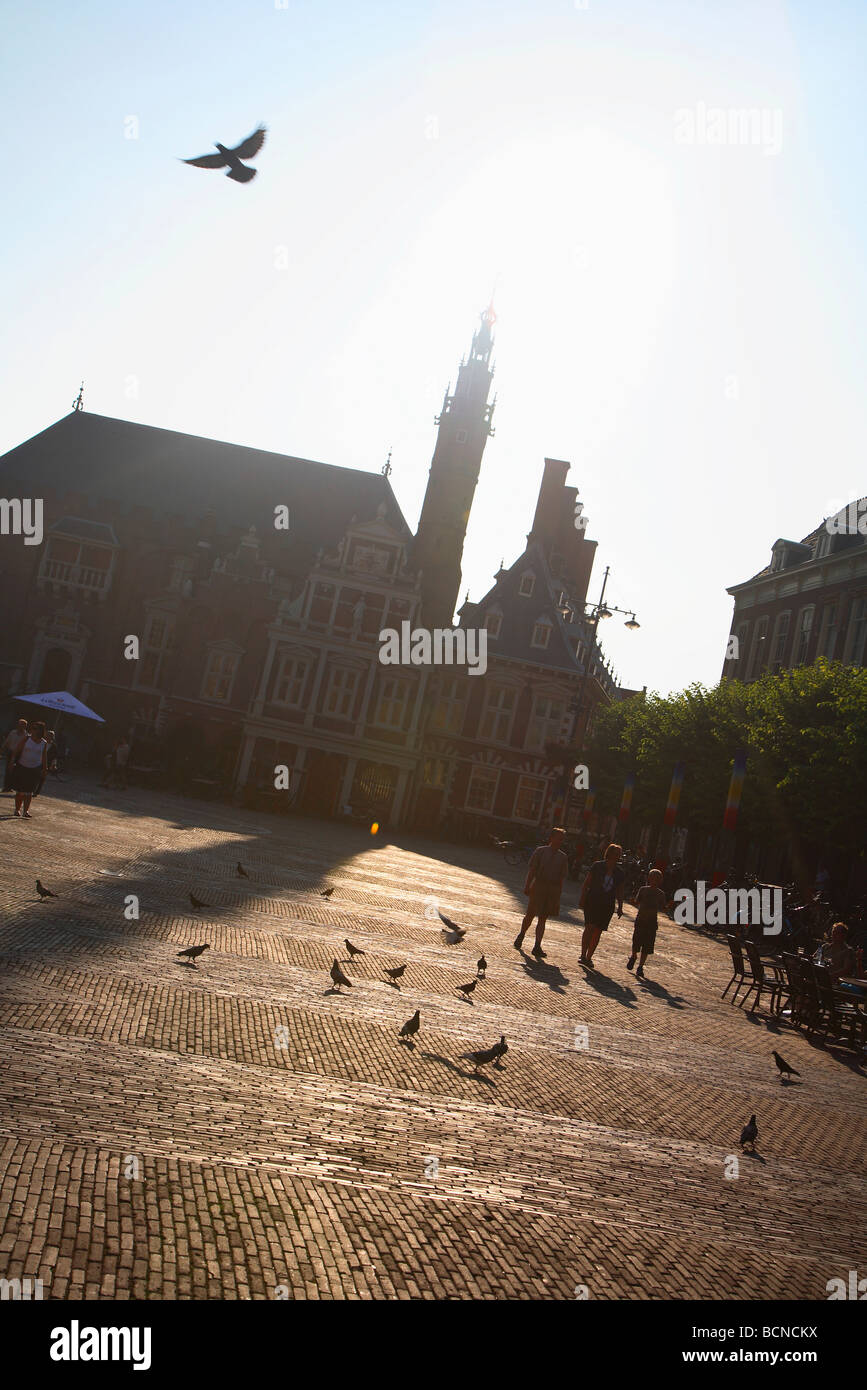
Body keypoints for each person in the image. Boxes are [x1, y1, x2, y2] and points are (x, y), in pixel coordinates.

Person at [513, 827, 569, 959]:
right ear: (552, 838)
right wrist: (527, 886)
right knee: (530, 914)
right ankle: (522, 934)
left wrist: (558, 895)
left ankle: (537, 945)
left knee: (543, 917)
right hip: (539, 885)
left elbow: (562, 877)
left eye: (562, 839)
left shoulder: (563, 857)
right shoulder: (540, 851)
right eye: (558, 838)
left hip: (552, 889)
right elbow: (532, 870)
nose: (560, 841)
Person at [579, 843, 625, 968]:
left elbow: (620, 891)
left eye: (618, 855)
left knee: (598, 930)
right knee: (589, 927)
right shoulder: (597, 866)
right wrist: (582, 898)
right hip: (593, 900)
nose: (616, 856)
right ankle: (583, 955)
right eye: (614, 854)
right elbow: (587, 882)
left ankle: (589, 957)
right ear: (608, 853)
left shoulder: (619, 872)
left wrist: (620, 906)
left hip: (607, 904)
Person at [627, 868, 668, 979]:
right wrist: (632, 901)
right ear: (649, 879)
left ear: (660, 881)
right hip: (640, 920)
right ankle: (634, 956)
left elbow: (664, 908)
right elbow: (637, 901)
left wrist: (671, 905)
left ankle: (640, 966)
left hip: (651, 922)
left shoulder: (661, 894)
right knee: (636, 941)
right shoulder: (643, 890)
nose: (655, 881)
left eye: (657, 879)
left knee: (647, 946)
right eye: (653, 878)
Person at [10, 721, 48, 818]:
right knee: (20, 791)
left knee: (29, 792)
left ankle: (26, 811)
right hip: (22, 766)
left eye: (36, 729)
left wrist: (45, 768)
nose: (34, 730)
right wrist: (12, 761)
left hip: (35, 768)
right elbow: (16, 750)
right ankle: (17, 809)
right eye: (33, 728)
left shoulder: (44, 743)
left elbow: (44, 757)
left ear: (41, 731)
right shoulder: (26, 738)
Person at [3, 718, 28, 792]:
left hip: (19, 754)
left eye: (23, 725)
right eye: (20, 725)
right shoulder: (13, 732)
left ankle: (11, 787)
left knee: (15, 771)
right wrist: (2, 749)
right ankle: (6, 786)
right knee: (8, 770)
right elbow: (7, 741)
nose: (21, 726)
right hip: (10, 752)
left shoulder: (26, 735)